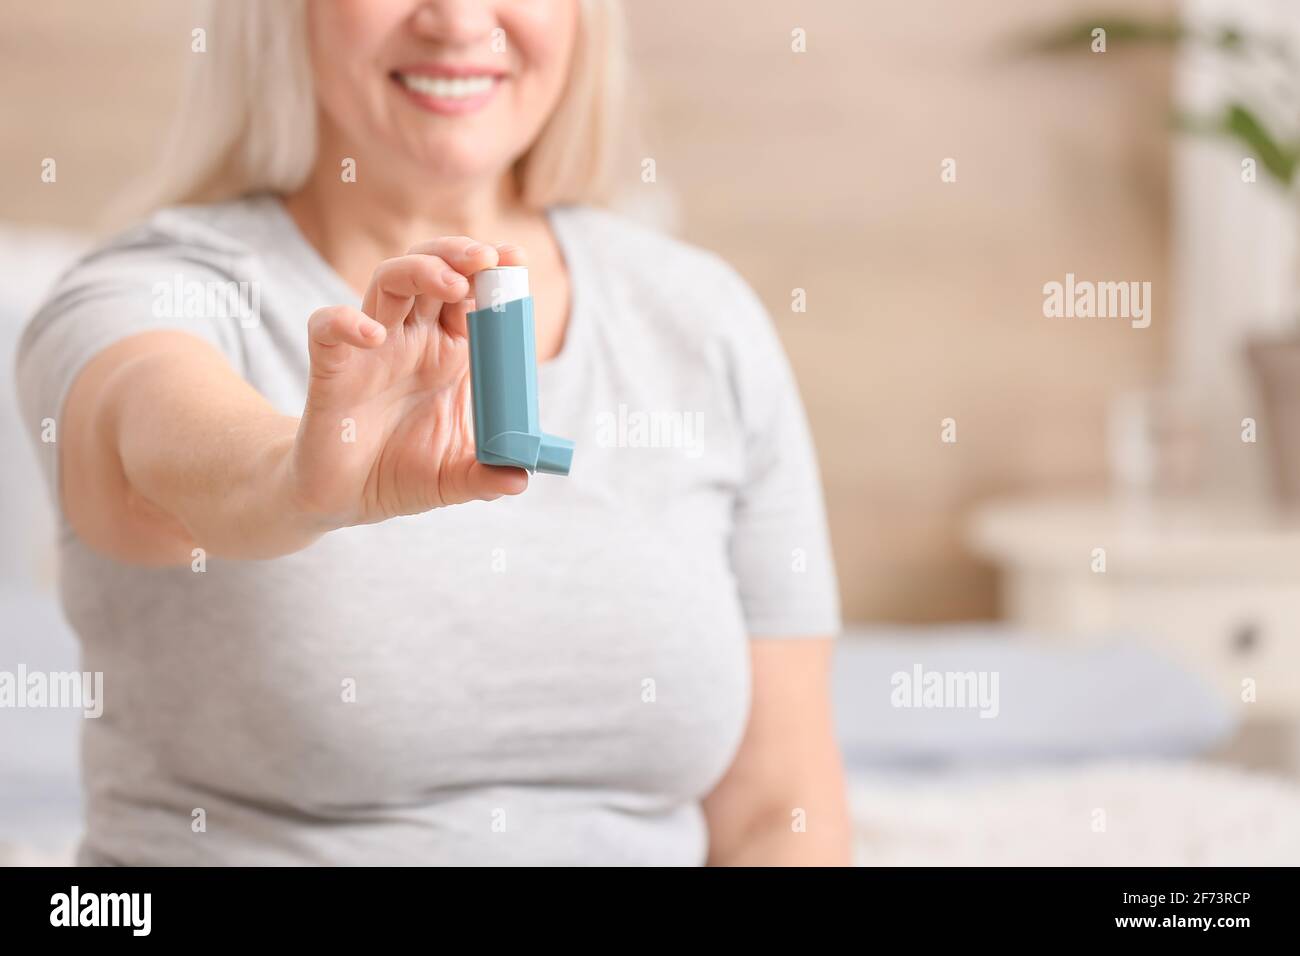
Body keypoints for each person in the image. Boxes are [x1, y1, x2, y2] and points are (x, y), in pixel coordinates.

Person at [16, 0, 850, 865]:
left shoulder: (700, 319)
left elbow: (777, 812)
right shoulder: (147, 293)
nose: (455, 19)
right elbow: (151, 464)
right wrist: (297, 476)